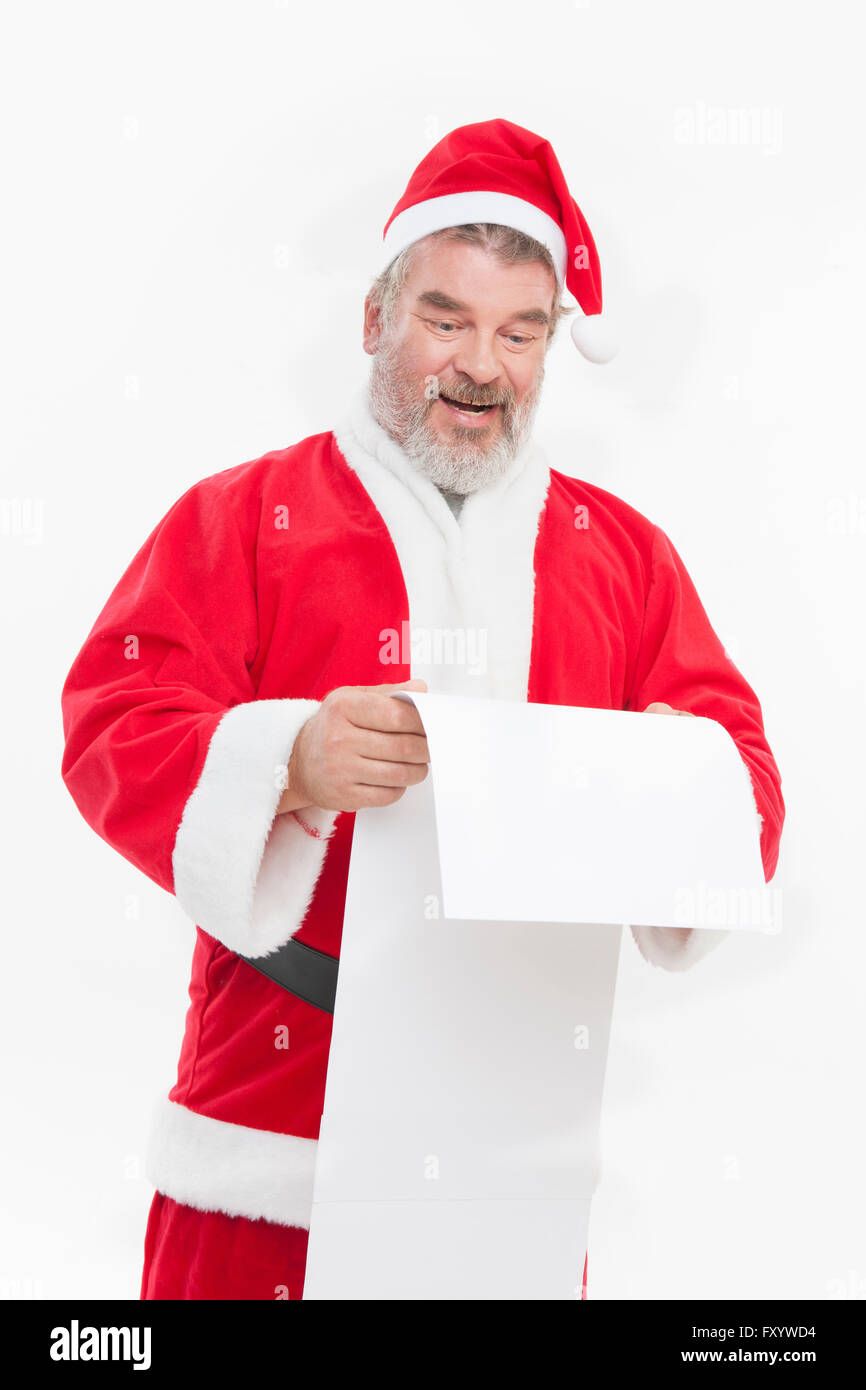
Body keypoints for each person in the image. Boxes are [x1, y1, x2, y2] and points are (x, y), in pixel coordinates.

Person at [60, 118, 785, 1301]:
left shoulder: (625, 559)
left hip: (518, 1152)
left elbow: (742, 776)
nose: (482, 365)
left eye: (519, 331)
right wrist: (288, 757)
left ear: (550, 346)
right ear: (372, 321)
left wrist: (665, 784)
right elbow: (111, 715)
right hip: (270, 1144)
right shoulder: (244, 517)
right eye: (444, 319)